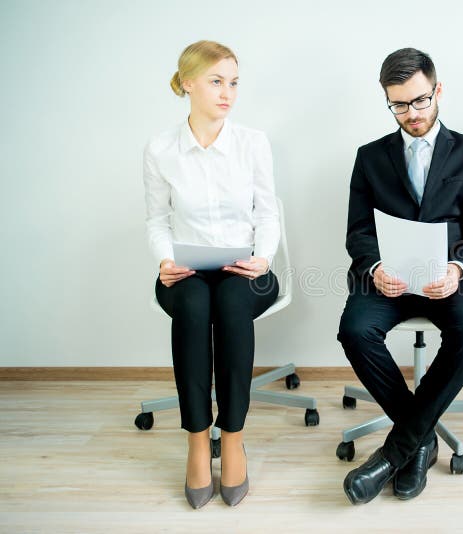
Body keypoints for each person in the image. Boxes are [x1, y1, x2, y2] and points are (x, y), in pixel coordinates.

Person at [337, 48, 463, 505]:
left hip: (449, 277)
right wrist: (374, 267)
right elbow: (358, 230)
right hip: (389, 277)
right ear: (387, 100)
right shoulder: (370, 157)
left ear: (437, 90)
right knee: (354, 330)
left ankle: (396, 451)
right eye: (399, 104)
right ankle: (421, 438)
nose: (412, 114)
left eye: (420, 101)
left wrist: (458, 267)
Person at [143, 40, 280, 508]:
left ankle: (234, 435)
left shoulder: (252, 143)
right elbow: (156, 219)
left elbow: (269, 214)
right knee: (198, 302)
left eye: (234, 82)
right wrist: (165, 259)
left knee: (232, 300)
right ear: (187, 84)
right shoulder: (162, 149)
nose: (228, 93)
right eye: (216, 81)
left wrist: (263, 257)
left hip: (247, 271)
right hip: (188, 273)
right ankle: (198, 439)